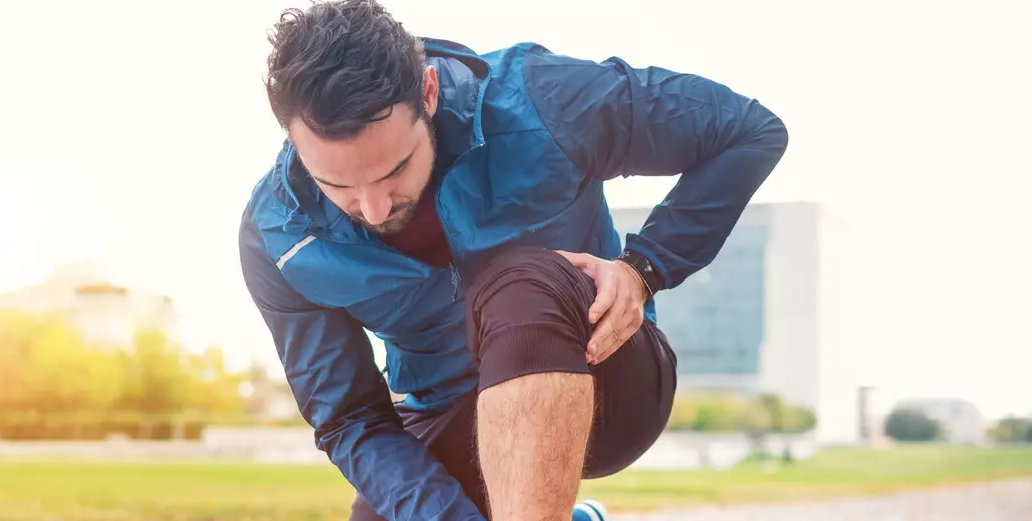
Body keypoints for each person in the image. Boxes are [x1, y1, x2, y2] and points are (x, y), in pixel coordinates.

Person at [237, 1, 789, 519]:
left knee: (519, 280)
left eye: (393, 170)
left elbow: (748, 131)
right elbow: (350, 419)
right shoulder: (277, 237)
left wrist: (645, 269)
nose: (375, 207)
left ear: (428, 92)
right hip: (451, 413)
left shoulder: (543, 100)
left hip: (607, 375)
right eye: (339, 186)